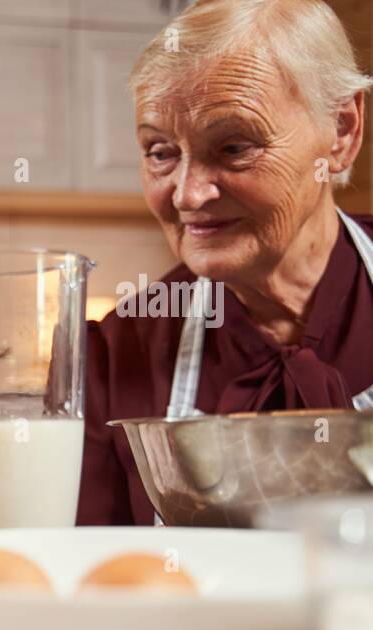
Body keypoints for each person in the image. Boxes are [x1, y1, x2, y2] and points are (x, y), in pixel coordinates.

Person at [79, 0, 373, 525]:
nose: (188, 195)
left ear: (343, 131)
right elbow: (86, 579)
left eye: (234, 146)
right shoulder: (113, 355)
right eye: (161, 152)